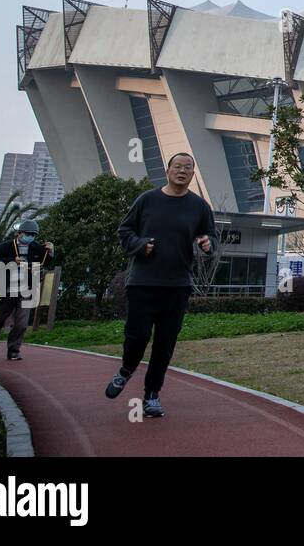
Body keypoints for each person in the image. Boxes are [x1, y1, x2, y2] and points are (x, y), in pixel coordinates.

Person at [106, 152, 216, 418]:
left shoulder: (199, 206)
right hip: (143, 282)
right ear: (167, 171)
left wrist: (208, 243)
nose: (182, 171)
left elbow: (211, 234)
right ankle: (126, 370)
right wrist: (139, 246)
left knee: (165, 343)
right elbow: (125, 231)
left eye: (187, 168)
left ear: (192, 174)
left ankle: (152, 394)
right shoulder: (147, 200)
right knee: (138, 336)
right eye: (177, 167)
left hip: (178, 284)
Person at [0, 219, 54, 361]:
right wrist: (11, 261)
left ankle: (14, 350)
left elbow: (45, 261)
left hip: (26, 290)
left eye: (33, 235)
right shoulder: (4, 247)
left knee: (22, 324)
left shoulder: (36, 247)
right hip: (6, 289)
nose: (30, 237)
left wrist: (51, 251)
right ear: (19, 233)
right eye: (28, 234)